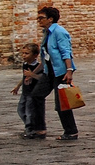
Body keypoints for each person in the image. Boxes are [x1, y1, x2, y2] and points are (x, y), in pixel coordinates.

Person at [26, 7, 78, 140]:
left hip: (60, 72)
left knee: (62, 101)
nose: (39, 21)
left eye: (41, 18)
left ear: (50, 19)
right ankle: (40, 129)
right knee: (36, 95)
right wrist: (33, 73)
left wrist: (69, 71)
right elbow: (46, 57)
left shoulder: (59, 32)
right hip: (49, 71)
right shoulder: (47, 32)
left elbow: (66, 52)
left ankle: (71, 131)